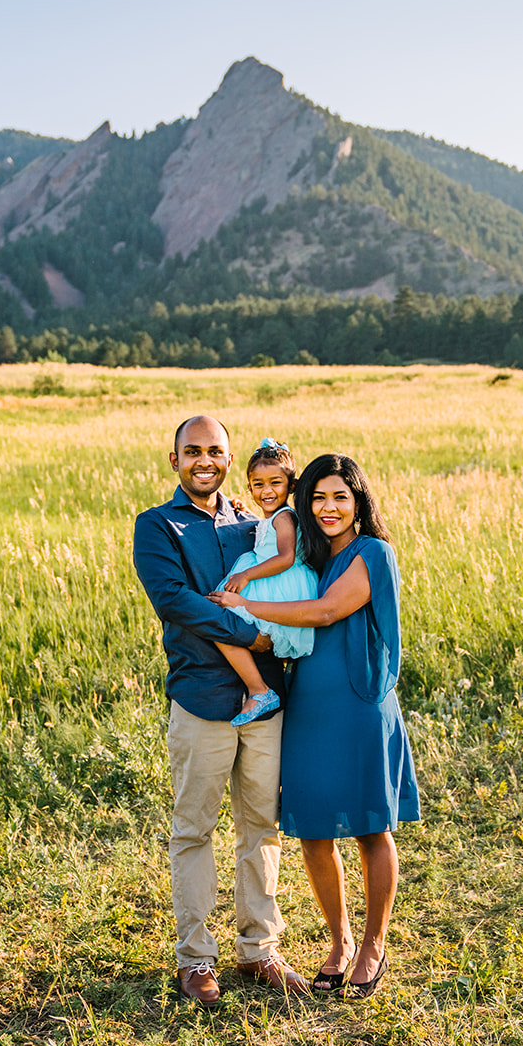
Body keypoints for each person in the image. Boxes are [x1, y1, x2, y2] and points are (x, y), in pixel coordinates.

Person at [208, 453, 420, 999]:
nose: (328, 508)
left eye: (340, 497)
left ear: (358, 502)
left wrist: (243, 600)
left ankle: (374, 943)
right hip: (306, 703)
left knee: (372, 825)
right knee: (316, 832)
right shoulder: (312, 549)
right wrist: (241, 508)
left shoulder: (373, 552)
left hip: (357, 700)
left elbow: (325, 612)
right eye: (319, 497)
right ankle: (340, 942)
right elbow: (273, 528)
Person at [132, 415, 312, 1004]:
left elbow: (289, 570)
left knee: (261, 827)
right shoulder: (158, 526)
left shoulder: (251, 521)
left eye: (215, 451)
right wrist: (252, 636)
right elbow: (174, 601)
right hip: (200, 698)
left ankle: (260, 948)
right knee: (194, 830)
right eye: (193, 451)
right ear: (174, 459)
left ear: (229, 460)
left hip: (267, 701)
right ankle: (195, 958)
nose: (203, 460)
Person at [212, 438, 319, 726]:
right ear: (249, 488)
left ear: (291, 485)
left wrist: (245, 575)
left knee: (218, 621)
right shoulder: (275, 516)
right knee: (223, 623)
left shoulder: (284, 517)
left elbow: (284, 557)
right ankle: (261, 690)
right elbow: (264, 527)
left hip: (277, 582)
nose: (267, 491)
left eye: (275, 483)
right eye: (258, 484)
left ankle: (259, 690)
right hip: (275, 582)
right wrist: (240, 510)